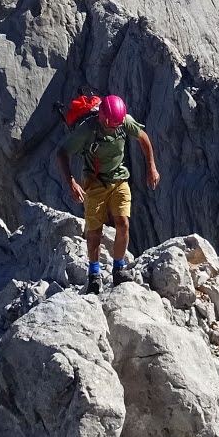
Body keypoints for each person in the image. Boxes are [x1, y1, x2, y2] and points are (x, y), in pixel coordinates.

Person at [55, 93, 160, 291]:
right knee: (95, 231)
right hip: (94, 184)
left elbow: (143, 138)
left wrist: (151, 167)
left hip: (119, 179)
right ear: (102, 119)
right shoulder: (87, 130)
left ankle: (118, 270)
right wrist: (71, 183)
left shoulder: (122, 121)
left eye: (118, 126)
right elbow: (61, 153)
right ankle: (94, 274)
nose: (115, 129)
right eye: (112, 126)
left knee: (123, 224)